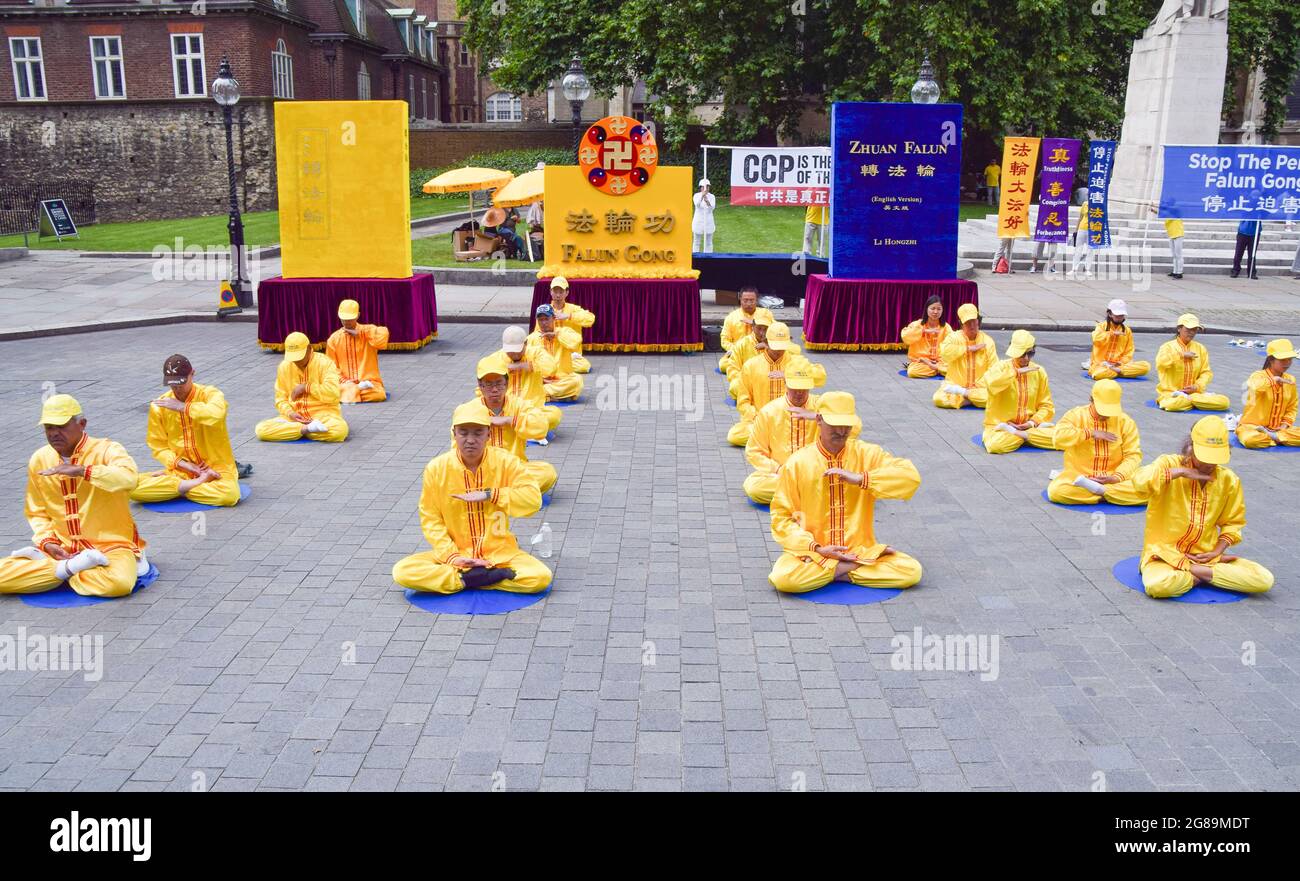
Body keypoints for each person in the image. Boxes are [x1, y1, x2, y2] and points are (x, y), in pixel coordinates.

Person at [391, 401, 552, 595]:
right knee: (402, 571)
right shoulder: (437, 468)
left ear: (488, 435)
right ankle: (481, 578)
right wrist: (452, 556)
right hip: (456, 557)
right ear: (454, 434)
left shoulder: (505, 462)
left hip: (499, 554)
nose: (470, 440)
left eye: (477, 433)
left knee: (540, 577)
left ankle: (464, 581)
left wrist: (490, 494)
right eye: (463, 432)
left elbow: (533, 499)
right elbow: (430, 519)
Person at [768, 392, 922, 592]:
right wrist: (816, 548)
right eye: (835, 424)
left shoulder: (867, 454)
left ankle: (835, 572)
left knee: (912, 571)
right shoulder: (798, 463)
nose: (841, 431)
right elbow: (781, 517)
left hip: (858, 550)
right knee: (784, 579)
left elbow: (910, 477)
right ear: (819, 420)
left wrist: (862, 479)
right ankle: (849, 569)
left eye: (846, 425)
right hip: (813, 554)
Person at [0, 395, 149, 597]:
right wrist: (48, 542)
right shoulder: (39, 459)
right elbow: (37, 512)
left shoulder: (107, 450)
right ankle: (71, 567)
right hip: (63, 548)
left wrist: (83, 471)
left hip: (110, 547)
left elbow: (129, 479)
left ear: (82, 424)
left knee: (119, 584)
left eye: (61, 426)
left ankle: (51, 572)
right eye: (49, 428)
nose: (54, 434)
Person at [1129, 416, 1273, 599]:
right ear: (1190, 448)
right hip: (1165, 556)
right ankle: (1203, 574)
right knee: (1158, 586)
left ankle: (1194, 573)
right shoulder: (1170, 463)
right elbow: (1139, 482)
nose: (1209, 464)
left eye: (1214, 459)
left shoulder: (1229, 480)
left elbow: (1233, 523)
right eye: (1204, 457)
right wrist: (1179, 472)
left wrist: (1216, 552)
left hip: (1206, 557)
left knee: (1263, 580)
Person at [130, 354, 240, 507]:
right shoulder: (160, 405)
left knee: (229, 495)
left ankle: (177, 488)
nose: (177, 389)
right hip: (181, 470)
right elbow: (158, 447)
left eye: (181, 384)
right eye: (173, 385)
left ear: (192, 374)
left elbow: (216, 414)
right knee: (132, 489)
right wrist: (186, 466)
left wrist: (183, 407)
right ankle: (196, 483)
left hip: (216, 470)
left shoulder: (210, 394)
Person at [1047, 379, 1145, 505]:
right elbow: (1058, 439)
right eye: (1102, 409)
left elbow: (1133, 456)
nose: (1106, 415)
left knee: (1147, 491)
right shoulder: (1076, 415)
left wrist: (1116, 477)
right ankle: (1111, 495)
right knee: (1056, 491)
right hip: (1081, 479)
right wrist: (1090, 433)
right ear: (1091, 399)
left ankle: (1101, 492)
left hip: (1114, 480)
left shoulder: (1126, 422)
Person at [728, 322, 826, 447]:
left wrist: (789, 374)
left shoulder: (795, 361)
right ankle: (778, 439)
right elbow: (743, 401)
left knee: (821, 429)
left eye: (782, 346)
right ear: (766, 342)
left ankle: (772, 440)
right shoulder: (751, 365)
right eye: (775, 346)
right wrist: (757, 416)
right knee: (734, 435)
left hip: (792, 419)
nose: (779, 350)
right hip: (762, 419)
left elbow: (821, 376)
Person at [471, 354, 558, 494]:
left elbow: (541, 427)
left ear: (506, 383)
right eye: (488, 384)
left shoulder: (518, 405)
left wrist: (511, 420)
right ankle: (508, 493)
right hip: (483, 474)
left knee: (547, 472)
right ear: (480, 385)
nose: (494, 389)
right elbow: (457, 448)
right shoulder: (470, 410)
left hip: (515, 469)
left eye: (498, 383)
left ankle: (494, 493)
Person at [742, 365, 820, 505]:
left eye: (803, 388)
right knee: (754, 487)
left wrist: (818, 417)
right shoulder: (769, 411)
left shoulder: (821, 406)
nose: (799, 393)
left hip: (815, 474)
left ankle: (800, 495)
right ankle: (808, 496)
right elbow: (753, 451)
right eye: (794, 388)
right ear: (785, 384)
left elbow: (854, 428)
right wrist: (777, 469)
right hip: (780, 475)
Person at [254, 331, 349, 442]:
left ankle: (295, 431)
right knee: (261, 430)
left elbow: (334, 394)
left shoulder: (325, 363)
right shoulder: (284, 366)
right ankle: (307, 429)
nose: (296, 361)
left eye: (299, 356)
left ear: (309, 349)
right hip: (295, 418)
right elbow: (280, 399)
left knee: (339, 431)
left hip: (323, 415)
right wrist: (290, 413)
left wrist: (306, 387)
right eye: (293, 357)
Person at [977, 329, 1056, 453]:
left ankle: (1020, 435)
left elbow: (1046, 406)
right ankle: (1030, 437)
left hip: (1029, 426)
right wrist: (1015, 372)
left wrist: (1030, 423)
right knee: (995, 446)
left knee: (1064, 439)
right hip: (1002, 427)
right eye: (1021, 354)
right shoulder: (1001, 367)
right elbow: (991, 383)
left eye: (1030, 354)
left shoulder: (1039, 371)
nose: (1025, 358)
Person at [1154, 314, 1229, 412]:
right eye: (1188, 330)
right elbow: (1161, 364)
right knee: (1172, 404)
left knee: (1224, 402)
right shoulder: (1167, 347)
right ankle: (1192, 401)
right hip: (1172, 394)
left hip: (1194, 393)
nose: (1191, 333)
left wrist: (1196, 386)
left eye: (1194, 330)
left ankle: (1190, 400)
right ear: (1179, 329)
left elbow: (1206, 373)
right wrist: (1181, 355)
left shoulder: (1200, 348)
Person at [494, 325, 561, 432]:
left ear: (525, 343)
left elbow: (551, 367)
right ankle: (524, 426)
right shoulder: (497, 357)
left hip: (532, 409)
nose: (513, 354)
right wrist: (505, 368)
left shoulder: (536, 352)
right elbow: (483, 377)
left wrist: (525, 366)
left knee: (555, 414)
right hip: (505, 408)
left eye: (517, 350)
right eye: (510, 351)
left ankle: (513, 423)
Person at [1236, 338, 1300, 448]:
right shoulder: (1258, 375)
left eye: (1290, 359)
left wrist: (1284, 425)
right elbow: (1255, 387)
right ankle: (1279, 438)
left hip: (1279, 429)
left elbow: (1292, 407)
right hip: (1253, 427)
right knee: (1250, 440)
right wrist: (1273, 380)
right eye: (1283, 360)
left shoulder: (1291, 379)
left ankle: (1274, 436)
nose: (1287, 363)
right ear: (1271, 360)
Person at [934, 303, 997, 409]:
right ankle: (972, 399)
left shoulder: (988, 341)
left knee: (994, 398)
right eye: (968, 322)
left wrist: (978, 385)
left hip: (979, 388)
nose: (972, 325)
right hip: (956, 385)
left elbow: (994, 368)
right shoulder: (954, 338)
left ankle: (965, 396)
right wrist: (967, 349)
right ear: (961, 324)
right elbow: (944, 353)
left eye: (974, 321)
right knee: (939, 399)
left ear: (978, 321)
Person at [326, 299, 389, 403]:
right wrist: (345, 381)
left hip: (368, 382)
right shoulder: (333, 339)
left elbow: (383, 334)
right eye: (343, 319)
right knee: (331, 392)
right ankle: (356, 389)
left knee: (379, 394)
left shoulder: (366, 331)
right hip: (345, 383)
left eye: (350, 319)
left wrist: (361, 333)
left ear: (358, 315)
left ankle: (351, 393)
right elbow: (331, 367)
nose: (346, 322)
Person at [529, 304, 583, 402]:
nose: (544, 323)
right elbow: (527, 362)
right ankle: (555, 395)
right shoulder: (532, 338)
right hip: (541, 381)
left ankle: (543, 395)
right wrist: (540, 379)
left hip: (562, 379)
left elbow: (576, 341)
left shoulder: (563, 331)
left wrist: (556, 335)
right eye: (540, 320)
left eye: (546, 319)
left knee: (577, 381)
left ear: (553, 318)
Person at [1086, 298, 1150, 379]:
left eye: (1121, 316)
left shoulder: (1127, 330)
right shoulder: (1101, 326)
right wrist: (1111, 334)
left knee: (1145, 367)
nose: (1120, 318)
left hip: (1119, 364)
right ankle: (1119, 372)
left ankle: (1116, 371)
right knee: (1099, 374)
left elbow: (1129, 351)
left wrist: (1121, 362)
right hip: (1101, 364)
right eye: (1117, 315)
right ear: (1109, 314)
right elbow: (1096, 340)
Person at [719, 286, 774, 373]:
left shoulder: (766, 314)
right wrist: (736, 349)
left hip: (761, 351)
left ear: (757, 300)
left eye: (752, 300)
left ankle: (749, 369)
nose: (749, 303)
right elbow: (724, 340)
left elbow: (776, 331)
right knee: (723, 365)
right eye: (745, 300)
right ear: (740, 299)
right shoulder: (731, 317)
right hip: (740, 353)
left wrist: (754, 323)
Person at [548, 276, 595, 374]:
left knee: (584, 367)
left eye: (561, 292)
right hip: (551, 352)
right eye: (555, 291)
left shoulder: (573, 309)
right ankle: (558, 366)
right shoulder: (546, 310)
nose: (558, 295)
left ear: (567, 293)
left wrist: (569, 316)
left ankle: (557, 367)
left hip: (571, 354)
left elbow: (590, 319)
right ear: (550, 292)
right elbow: (537, 332)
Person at [899, 295, 952, 378]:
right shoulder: (918, 324)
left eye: (939, 309)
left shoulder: (946, 327)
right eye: (932, 308)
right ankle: (939, 370)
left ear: (942, 310)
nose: (935, 312)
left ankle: (936, 368)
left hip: (940, 362)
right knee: (912, 372)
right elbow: (905, 336)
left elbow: (952, 345)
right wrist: (923, 331)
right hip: (922, 362)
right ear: (926, 309)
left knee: (958, 368)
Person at [1150, 206, 1184, 279]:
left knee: (1178, 255)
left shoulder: (1176, 213)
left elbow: (1166, 212)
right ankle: (1175, 272)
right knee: (1174, 255)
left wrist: (1158, 208)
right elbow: (1162, 214)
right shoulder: (1168, 215)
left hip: (1178, 235)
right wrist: (1153, 210)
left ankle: (1180, 272)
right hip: (1171, 235)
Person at [692, 178, 716, 253]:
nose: (706, 188)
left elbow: (712, 208)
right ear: (701, 187)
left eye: (708, 186)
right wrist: (702, 196)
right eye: (705, 187)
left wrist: (707, 201)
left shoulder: (712, 196)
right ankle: (696, 258)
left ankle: (708, 259)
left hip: (709, 221)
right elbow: (697, 204)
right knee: (696, 242)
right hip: (698, 221)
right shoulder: (696, 195)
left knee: (708, 243)